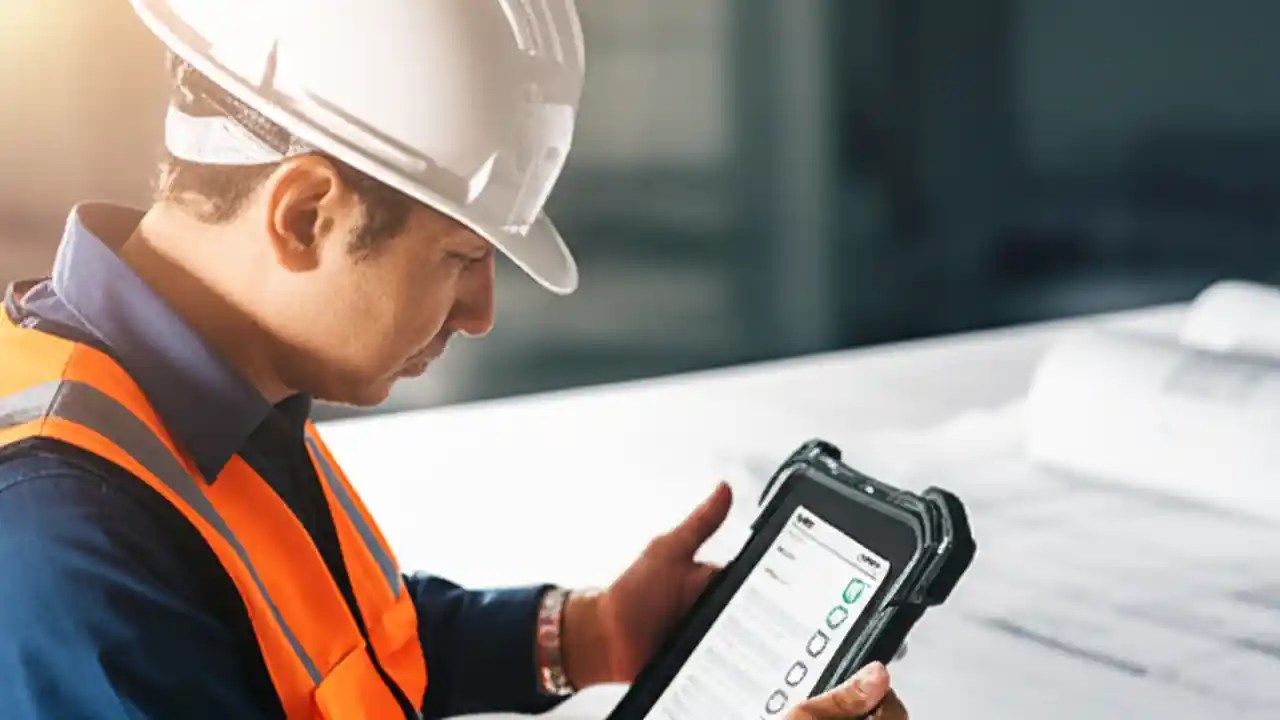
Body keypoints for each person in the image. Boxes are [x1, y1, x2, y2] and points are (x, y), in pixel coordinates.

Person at [0, 2, 909, 718]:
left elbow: (332, 649)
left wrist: (588, 635)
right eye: (461, 258)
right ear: (305, 215)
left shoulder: (197, 401)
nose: (478, 314)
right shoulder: (68, 540)